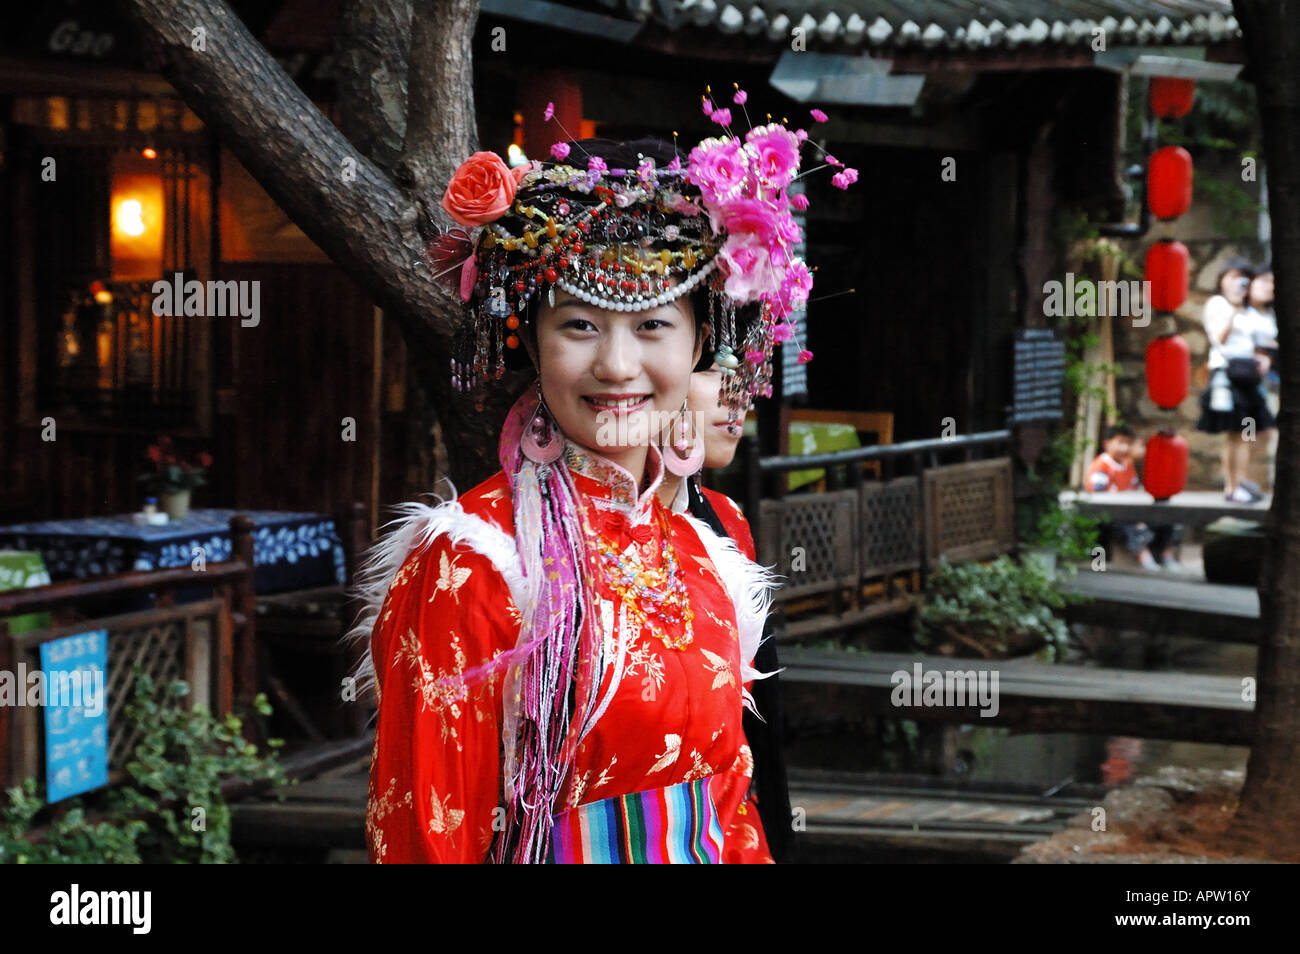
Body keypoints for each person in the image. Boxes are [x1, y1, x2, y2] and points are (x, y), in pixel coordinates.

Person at [350, 106, 838, 863]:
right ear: (532, 340)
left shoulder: (713, 541)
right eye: (579, 325)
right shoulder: (473, 561)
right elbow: (426, 834)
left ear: (702, 340)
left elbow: (731, 800)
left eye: (652, 326)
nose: (615, 366)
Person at [657, 365, 795, 863]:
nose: (738, 393)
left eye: (744, 368)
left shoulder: (726, 516)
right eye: (711, 368)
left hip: (724, 826)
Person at [1197, 259, 1276, 502]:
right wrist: (1234, 310)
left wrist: (1265, 358)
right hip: (1227, 377)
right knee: (1237, 433)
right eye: (1232, 277)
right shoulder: (1218, 304)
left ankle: (1238, 481)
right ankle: (1233, 486)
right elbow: (1220, 337)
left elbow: (1260, 341)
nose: (1238, 284)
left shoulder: (1250, 311)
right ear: (1221, 280)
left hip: (1248, 380)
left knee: (1252, 432)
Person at [1086, 424, 1182, 571]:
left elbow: (1135, 490)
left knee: (1166, 519)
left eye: (1128, 443)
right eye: (1120, 442)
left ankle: (1166, 556)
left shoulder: (1128, 465)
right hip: (1108, 516)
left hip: (1129, 512)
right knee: (1131, 525)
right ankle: (1144, 558)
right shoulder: (1101, 466)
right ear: (1106, 443)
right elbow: (1098, 496)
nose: (1125, 448)